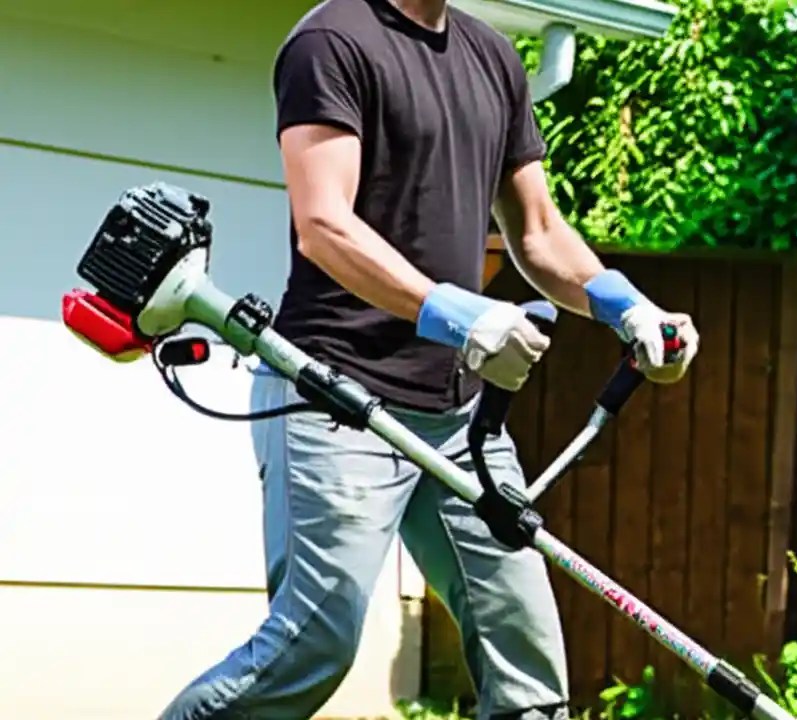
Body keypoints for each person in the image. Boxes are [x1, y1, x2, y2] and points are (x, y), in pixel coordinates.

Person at [157, 0, 699, 718]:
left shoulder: (492, 57)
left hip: (458, 420)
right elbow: (325, 225)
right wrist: (461, 313)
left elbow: (537, 230)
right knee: (310, 648)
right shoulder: (332, 41)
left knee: (528, 672)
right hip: (335, 399)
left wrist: (630, 307)